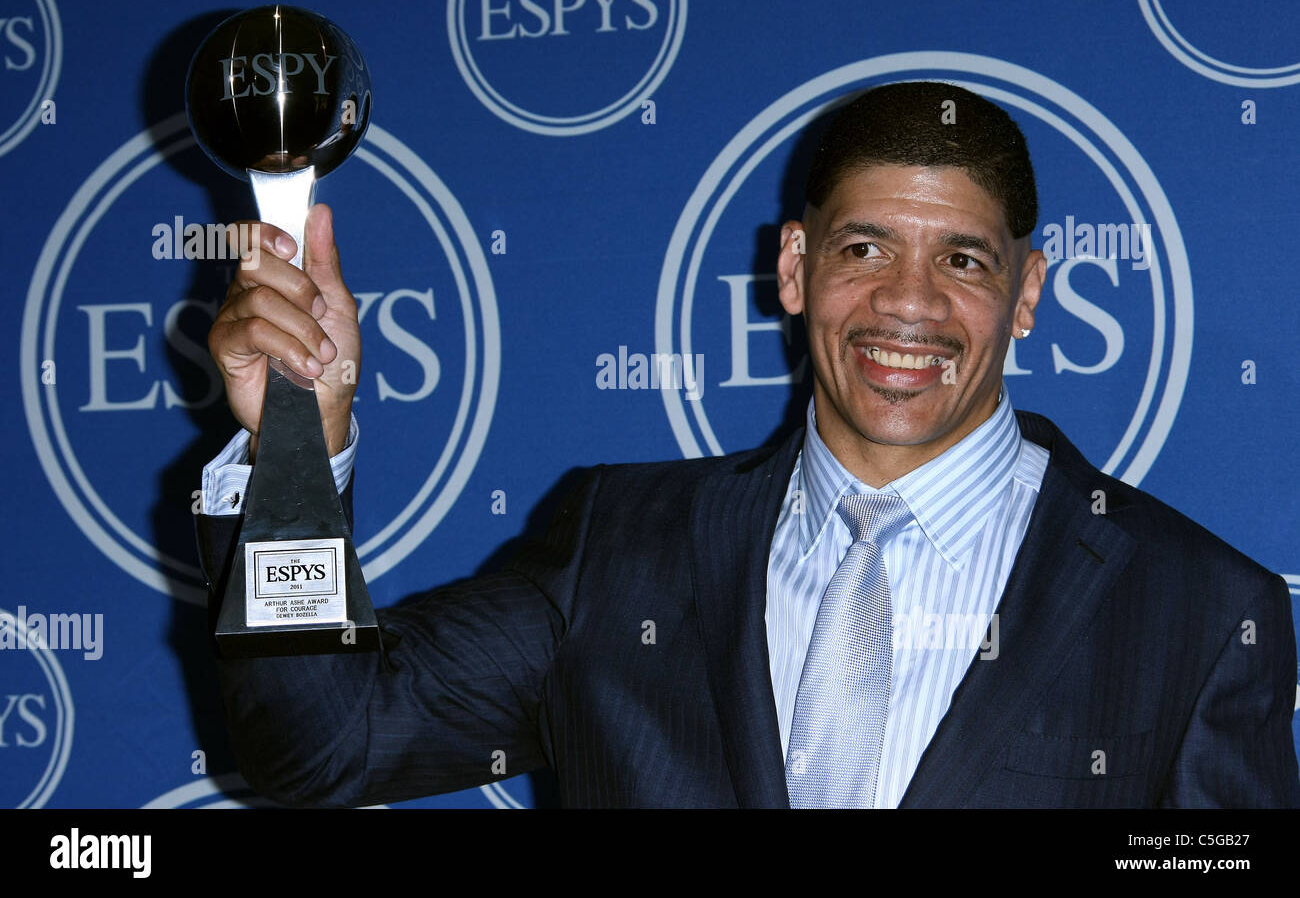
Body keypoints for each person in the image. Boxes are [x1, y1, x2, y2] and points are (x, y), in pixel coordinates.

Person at [196, 82, 1300, 807]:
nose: (906, 306)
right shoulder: (618, 542)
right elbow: (322, 748)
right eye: (864, 247)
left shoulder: (1195, 610)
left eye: (962, 261)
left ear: (1026, 293)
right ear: (791, 267)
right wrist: (299, 443)